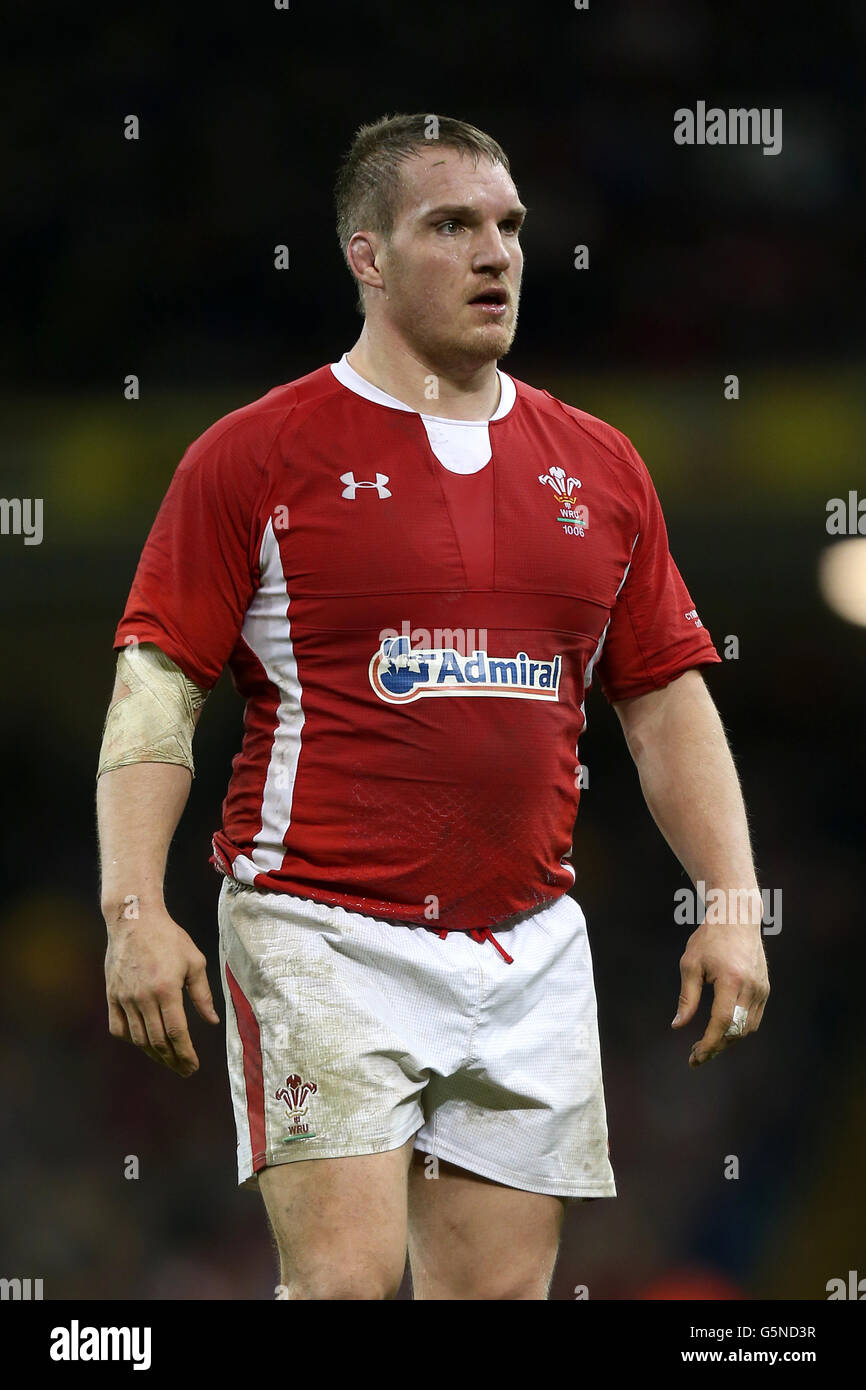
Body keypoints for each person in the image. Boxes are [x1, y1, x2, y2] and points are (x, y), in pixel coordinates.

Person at [96, 112, 770, 1301]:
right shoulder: (252, 456)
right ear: (364, 254)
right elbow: (158, 686)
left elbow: (664, 698)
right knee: (347, 1289)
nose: (496, 253)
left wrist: (727, 903)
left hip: (527, 940)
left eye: (508, 226)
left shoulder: (601, 465)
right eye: (450, 225)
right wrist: (131, 909)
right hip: (320, 925)